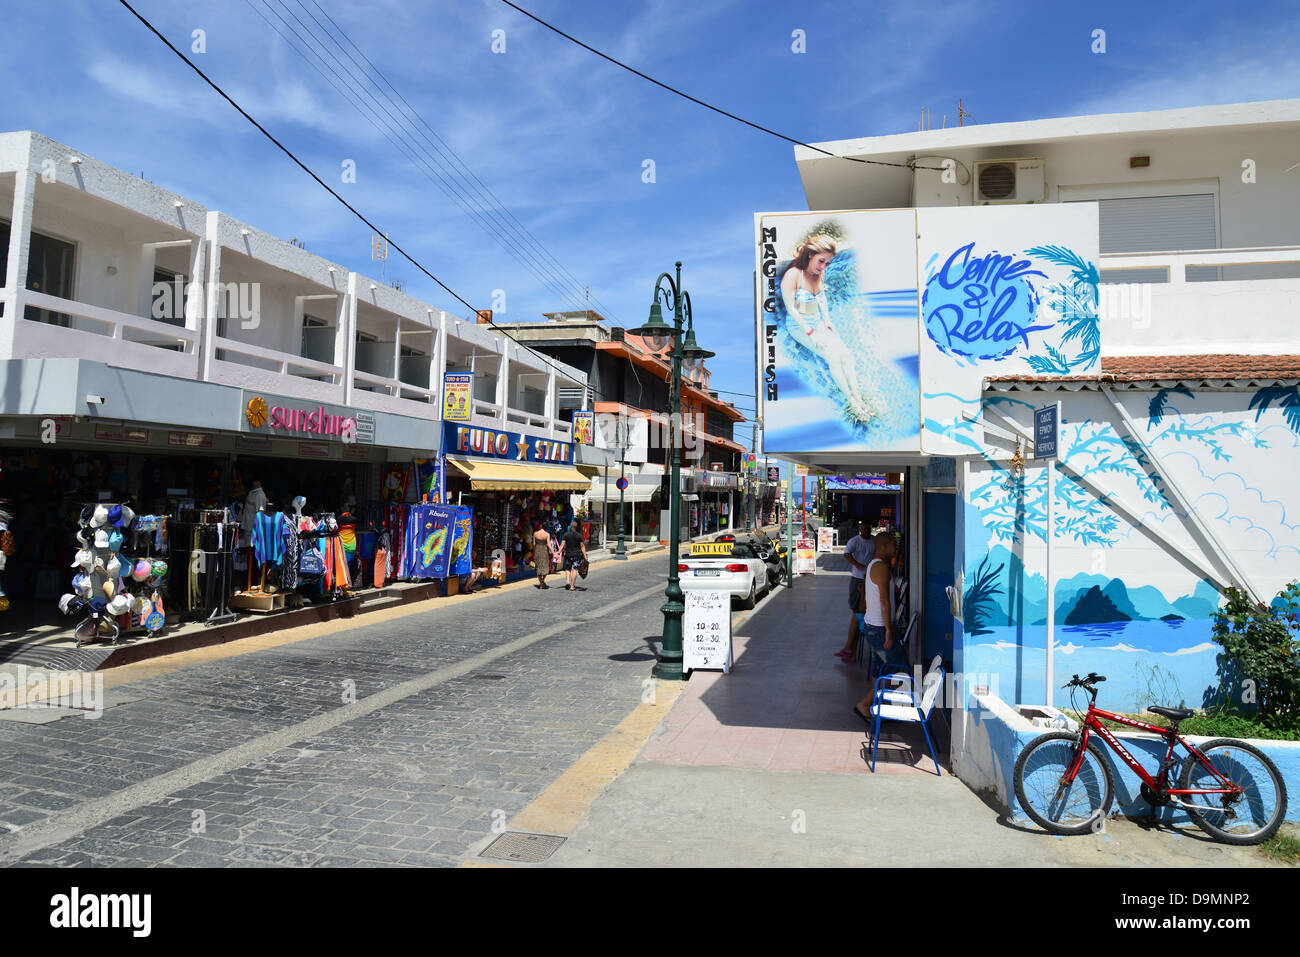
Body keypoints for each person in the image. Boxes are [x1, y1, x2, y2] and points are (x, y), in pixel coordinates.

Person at [779, 234, 874, 422]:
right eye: (821, 261)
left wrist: (828, 321)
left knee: (846, 356)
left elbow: (821, 297)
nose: (823, 267)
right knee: (833, 357)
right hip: (799, 327)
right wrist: (811, 333)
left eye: (827, 263)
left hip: (818, 323)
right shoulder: (793, 276)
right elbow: (792, 310)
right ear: (810, 255)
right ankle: (853, 403)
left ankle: (859, 398)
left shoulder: (819, 273)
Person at [853, 532, 905, 723]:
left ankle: (875, 705)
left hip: (873, 625)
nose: (896, 547)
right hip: (880, 628)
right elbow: (884, 601)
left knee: (880, 670)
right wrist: (889, 631)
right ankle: (865, 704)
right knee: (897, 669)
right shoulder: (881, 567)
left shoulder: (874, 566)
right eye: (893, 543)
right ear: (883, 546)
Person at [836, 521, 875, 660]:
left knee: (860, 614)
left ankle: (851, 649)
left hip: (869, 579)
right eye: (863, 528)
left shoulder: (874, 542)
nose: (866, 530)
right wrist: (857, 564)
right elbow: (846, 554)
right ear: (860, 529)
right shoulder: (855, 541)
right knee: (857, 612)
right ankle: (851, 649)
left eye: (868, 528)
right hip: (857, 579)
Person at [561, 520, 587, 591]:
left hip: (568, 555)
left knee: (567, 569)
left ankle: (567, 582)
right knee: (574, 569)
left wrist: (558, 552)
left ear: (570, 527)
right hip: (577, 555)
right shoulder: (579, 536)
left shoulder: (566, 534)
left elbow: (562, 545)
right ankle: (572, 586)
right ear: (576, 527)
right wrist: (585, 556)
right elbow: (582, 546)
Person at [532, 521, 552, 589]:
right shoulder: (547, 534)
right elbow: (549, 544)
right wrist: (553, 552)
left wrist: (533, 552)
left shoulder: (535, 533)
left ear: (541, 526)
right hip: (544, 550)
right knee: (546, 566)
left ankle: (541, 584)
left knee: (538, 567)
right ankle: (543, 581)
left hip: (537, 550)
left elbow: (534, 544)